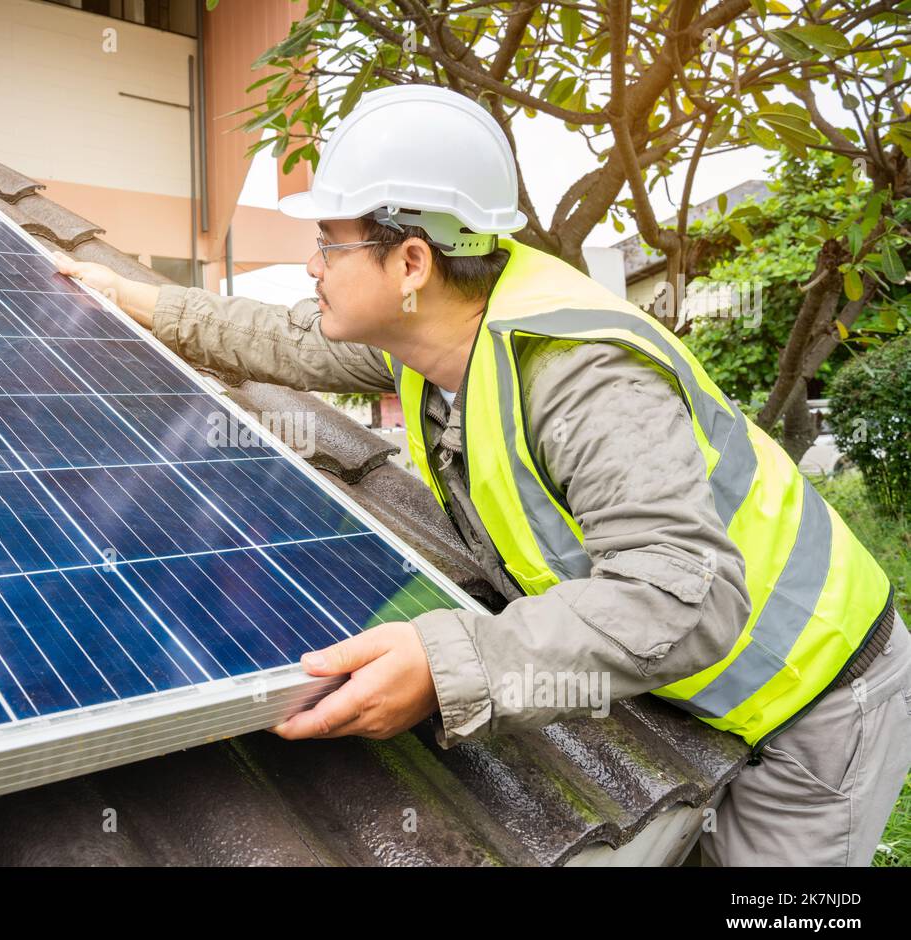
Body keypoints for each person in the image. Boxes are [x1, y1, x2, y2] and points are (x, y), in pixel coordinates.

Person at [54, 84, 911, 866]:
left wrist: (451, 663)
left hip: (820, 694)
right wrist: (137, 300)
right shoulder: (433, 337)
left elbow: (683, 595)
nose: (313, 265)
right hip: (703, 690)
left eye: (328, 241)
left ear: (412, 263)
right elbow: (282, 338)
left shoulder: (579, 375)